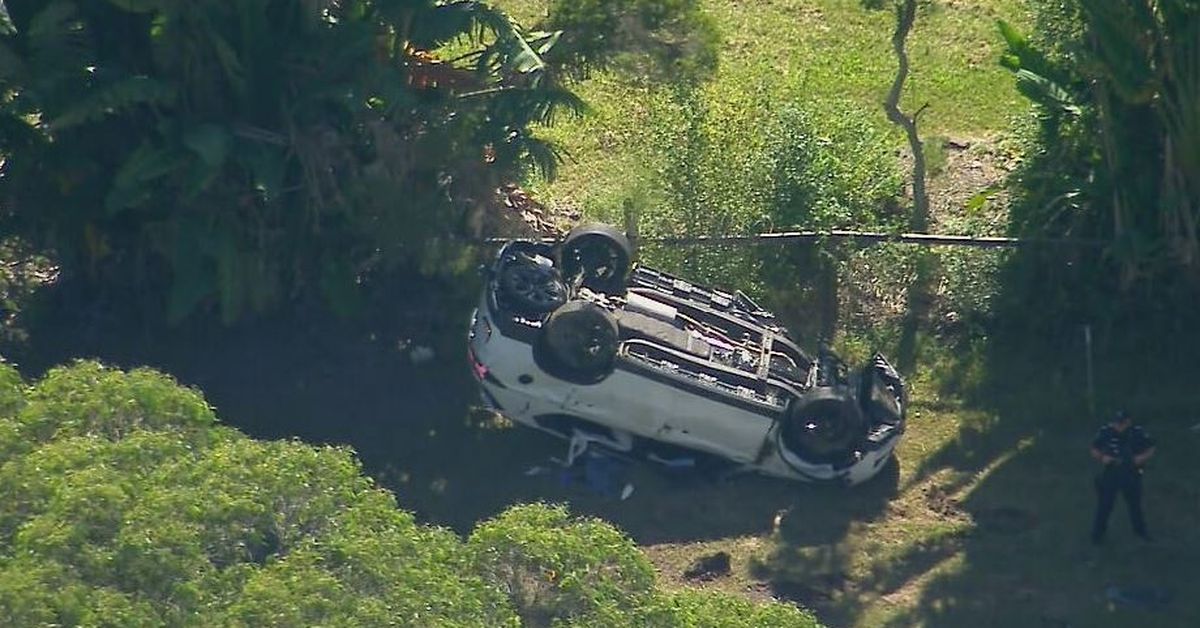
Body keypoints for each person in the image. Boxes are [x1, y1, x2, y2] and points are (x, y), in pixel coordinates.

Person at [1090, 410, 1156, 544]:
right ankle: (1097, 536)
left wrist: (1140, 458)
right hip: (1111, 472)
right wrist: (1102, 457)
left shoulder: (1137, 432)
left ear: (1128, 422)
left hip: (1131, 472)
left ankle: (1140, 532)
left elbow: (1151, 447)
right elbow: (1094, 448)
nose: (1118, 426)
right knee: (1105, 505)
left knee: (1135, 506)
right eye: (1116, 423)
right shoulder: (1106, 431)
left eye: (1121, 423)